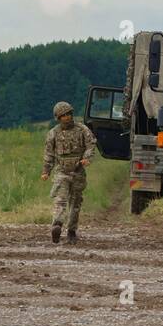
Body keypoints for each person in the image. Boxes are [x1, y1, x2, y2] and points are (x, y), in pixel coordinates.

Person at [40, 101, 97, 244]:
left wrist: (86, 158)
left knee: (75, 203)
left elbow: (91, 145)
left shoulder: (82, 130)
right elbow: (49, 154)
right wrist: (46, 171)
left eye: (69, 114)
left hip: (78, 171)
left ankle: (71, 231)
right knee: (60, 200)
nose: (67, 117)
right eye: (63, 115)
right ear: (58, 118)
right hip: (61, 171)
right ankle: (57, 225)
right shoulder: (53, 133)